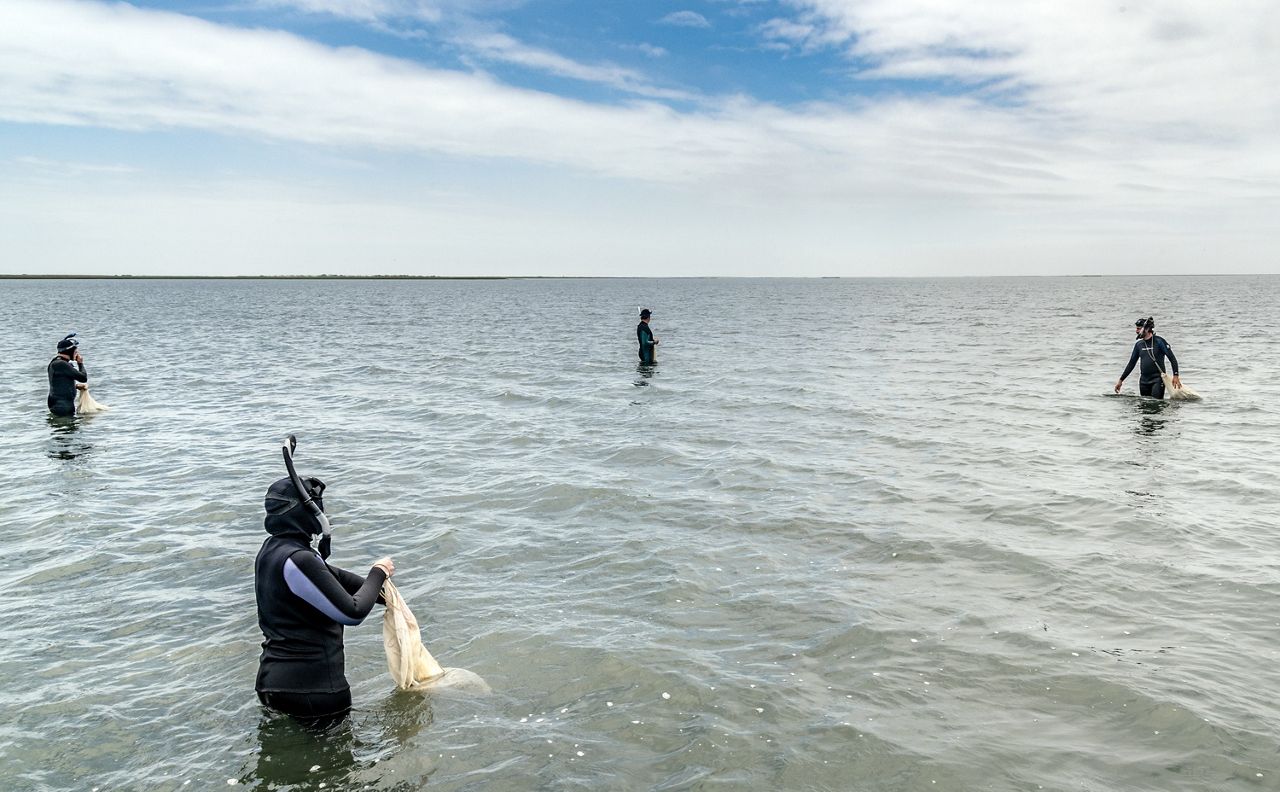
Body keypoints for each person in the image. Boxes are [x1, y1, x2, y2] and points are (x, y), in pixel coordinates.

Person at [254, 474, 394, 726]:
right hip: (315, 692)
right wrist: (378, 572)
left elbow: (332, 577)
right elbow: (352, 613)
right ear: (310, 512)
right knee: (337, 765)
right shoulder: (300, 559)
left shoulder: (272, 550)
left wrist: (381, 593)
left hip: (272, 686)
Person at [1115, 316, 1181, 398]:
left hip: (1157, 380)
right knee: (1144, 406)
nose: (1136, 331)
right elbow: (1131, 364)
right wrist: (1121, 380)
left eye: (1139, 329)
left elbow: (1172, 359)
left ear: (1146, 329)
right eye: (1136, 328)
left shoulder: (1159, 341)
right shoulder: (1139, 345)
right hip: (1143, 381)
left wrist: (1176, 376)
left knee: (1156, 405)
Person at [47, 333, 87, 417]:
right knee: (68, 429)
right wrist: (80, 363)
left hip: (58, 405)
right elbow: (83, 377)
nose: (77, 354)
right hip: (63, 407)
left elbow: (59, 382)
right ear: (70, 351)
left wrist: (75, 386)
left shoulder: (55, 362)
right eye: (76, 351)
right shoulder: (62, 364)